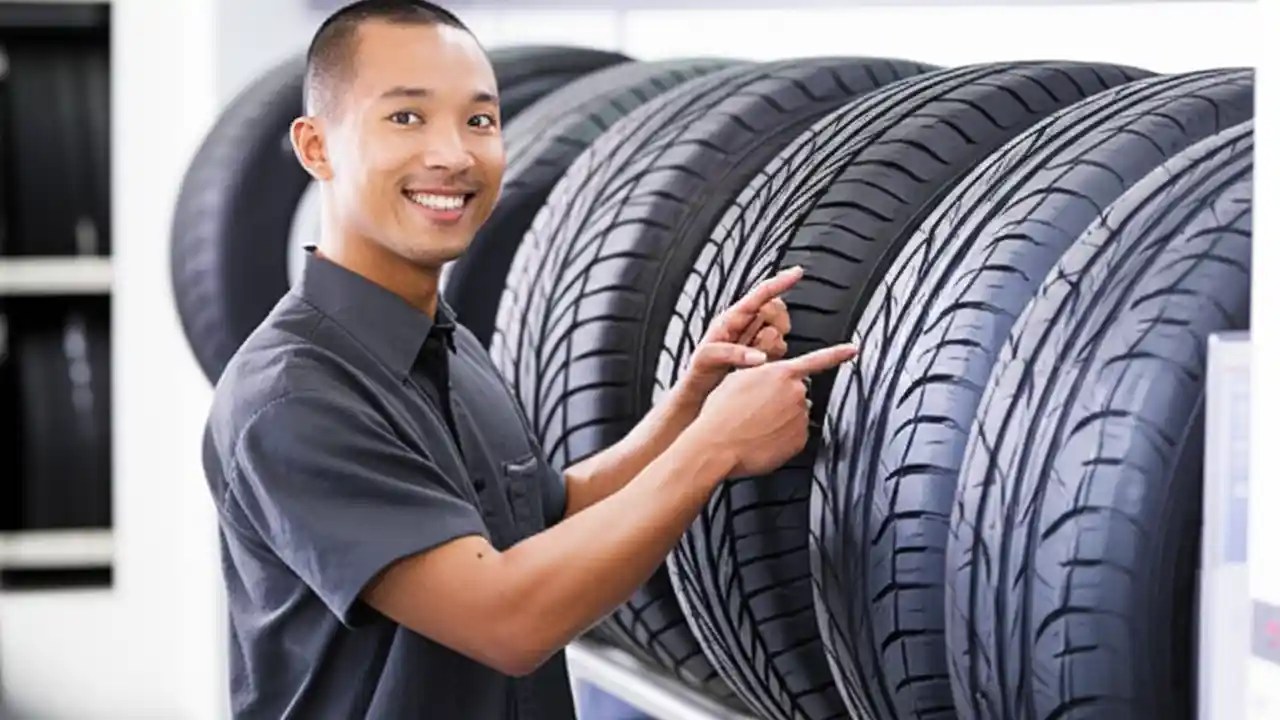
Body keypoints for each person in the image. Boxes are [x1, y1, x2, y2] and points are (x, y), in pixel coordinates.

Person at [200, 1, 859, 718]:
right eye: (407, 118)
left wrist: (688, 405)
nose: (453, 154)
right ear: (316, 146)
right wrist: (713, 447)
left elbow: (548, 521)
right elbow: (507, 620)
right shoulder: (295, 397)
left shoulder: (444, 343)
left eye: (479, 120)